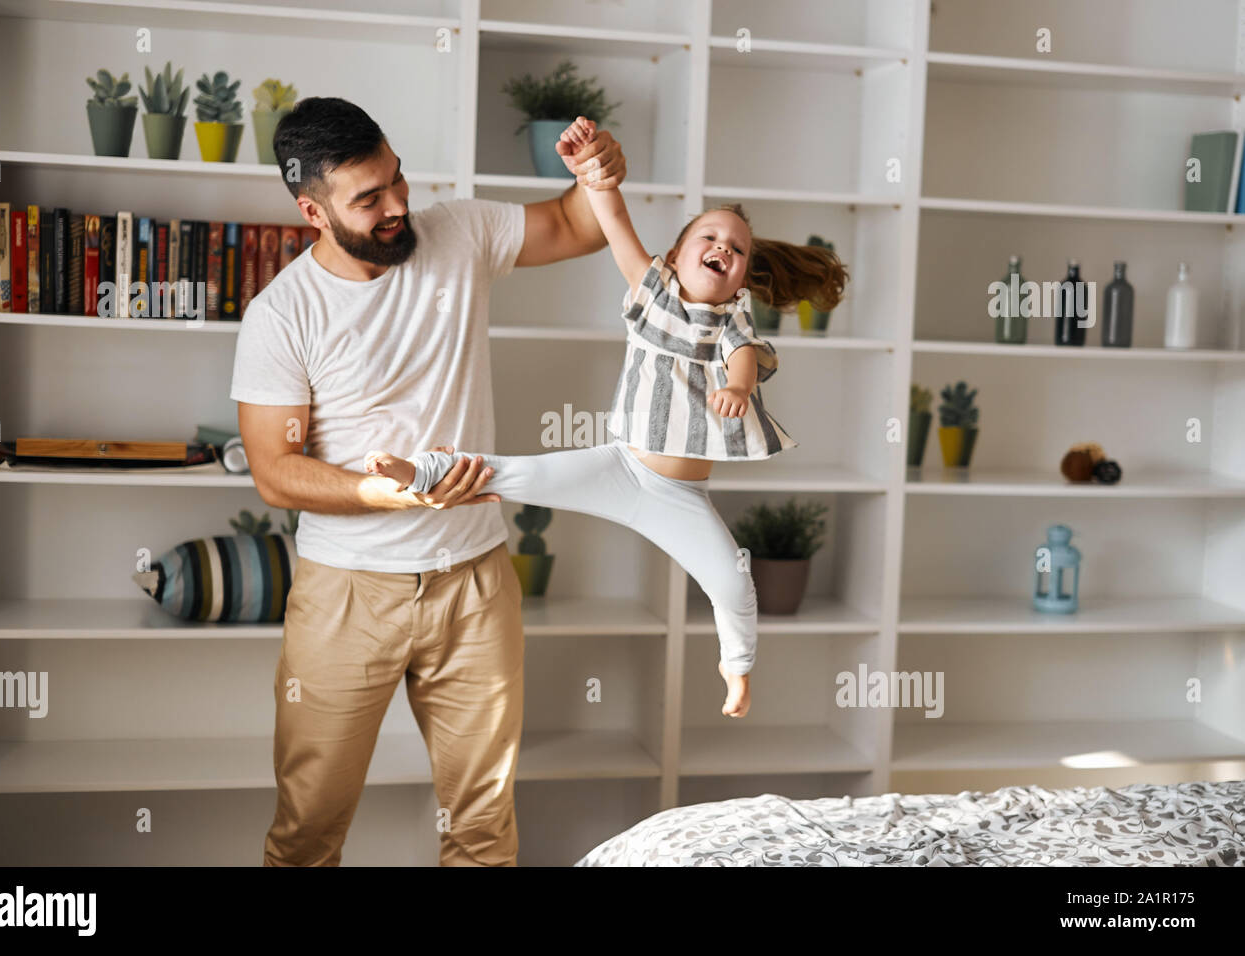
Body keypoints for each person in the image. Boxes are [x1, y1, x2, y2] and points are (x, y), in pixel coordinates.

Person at [230, 97, 628, 866]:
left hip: (474, 582)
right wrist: (374, 495)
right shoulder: (281, 316)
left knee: (482, 828)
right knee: (309, 830)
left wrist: (599, 172)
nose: (397, 206)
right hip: (347, 594)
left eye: (397, 180)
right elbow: (276, 474)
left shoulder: (460, 231)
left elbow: (579, 224)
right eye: (369, 198)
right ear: (313, 210)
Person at [365, 117, 849, 721]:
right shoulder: (652, 288)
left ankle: (737, 667)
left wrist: (736, 387)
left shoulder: (732, 322)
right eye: (710, 236)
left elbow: (743, 358)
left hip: (680, 495)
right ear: (676, 255)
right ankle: (423, 471)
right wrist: (592, 167)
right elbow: (614, 221)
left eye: (736, 247)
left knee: (731, 583)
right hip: (620, 467)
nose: (722, 247)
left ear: (743, 277)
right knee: (519, 474)